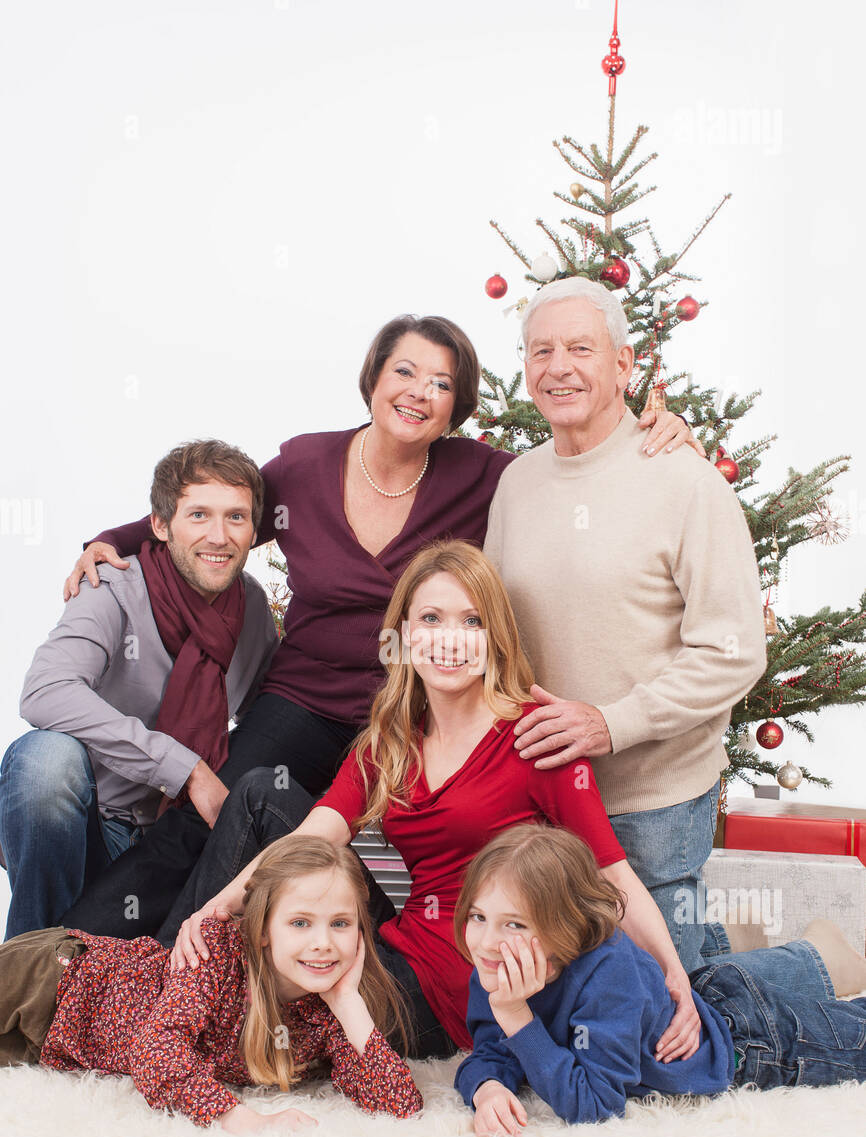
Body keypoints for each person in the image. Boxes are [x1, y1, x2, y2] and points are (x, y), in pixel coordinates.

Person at [55, 313, 702, 940]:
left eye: (442, 384)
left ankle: (295, 989)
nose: (421, 392)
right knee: (211, 815)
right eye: (406, 370)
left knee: (388, 877)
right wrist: (112, 539)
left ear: (457, 407)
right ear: (374, 378)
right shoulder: (305, 468)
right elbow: (217, 511)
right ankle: (73, 958)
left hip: (410, 714)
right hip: (302, 700)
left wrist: (650, 443)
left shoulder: (485, 477)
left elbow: (574, 477)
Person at [165, 541, 727, 1062]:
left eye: (471, 621)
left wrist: (673, 971)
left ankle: (175, 1002)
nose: (449, 640)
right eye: (431, 620)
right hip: (398, 932)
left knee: (274, 1015)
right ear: (404, 635)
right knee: (263, 792)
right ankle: (165, 974)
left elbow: (612, 875)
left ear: (495, 637)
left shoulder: (535, 738)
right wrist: (214, 910)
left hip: (459, 982)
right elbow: (314, 836)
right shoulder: (392, 739)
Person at [483, 276, 768, 970]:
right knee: (573, 1001)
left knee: (668, 1022)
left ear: (624, 364)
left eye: (581, 347)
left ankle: (817, 965)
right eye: (540, 350)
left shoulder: (685, 480)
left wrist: (612, 722)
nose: (559, 367)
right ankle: (730, 949)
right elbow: (492, 630)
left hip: (652, 801)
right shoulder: (516, 482)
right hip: (542, 797)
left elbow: (734, 651)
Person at [0, 440, 278, 940]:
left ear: (254, 530)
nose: (219, 536)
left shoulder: (252, 608)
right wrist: (185, 768)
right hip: (95, 828)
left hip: (181, 843)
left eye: (236, 518)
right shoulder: (113, 587)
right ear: (160, 524)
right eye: (198, 515)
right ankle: (28, 968)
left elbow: (271, 715)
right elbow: (45, 690)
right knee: (44, 760)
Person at [454, 824, 866, 1137]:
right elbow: (495, 1048)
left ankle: (821, 957)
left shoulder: (607, 975)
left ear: (566, 924)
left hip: (749, 1043)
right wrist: (486, 1087)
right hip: (716, 1001)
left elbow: (596, 1104)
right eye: (478, 916)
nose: (487, 942)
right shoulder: (496, 965)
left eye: (514, 923)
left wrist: (516, 1016)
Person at [0, 837, 422, 1129]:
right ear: (262, 930)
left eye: (341, 924)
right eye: (300, 923)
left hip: (55, 1051)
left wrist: (348, 1002)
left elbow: (401, 1107)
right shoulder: (217, 951)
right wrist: (241, 1120)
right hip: (55, 982)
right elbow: (156, 1052)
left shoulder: (330, 1012)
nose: (323, 944)